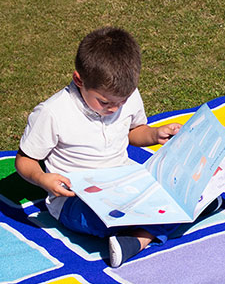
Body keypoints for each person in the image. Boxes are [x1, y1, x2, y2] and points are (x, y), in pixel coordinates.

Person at [15, 25, 182, 268]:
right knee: (100, 218)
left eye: (121, 102)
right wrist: (43, 179)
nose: (114, 108)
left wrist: (155, 134)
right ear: (78, 80)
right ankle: (151, 230)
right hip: (76, 197)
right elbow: (25, 159)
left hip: (126, 182)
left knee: (180, 190)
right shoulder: (53, 113)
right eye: (105, 102)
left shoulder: (128, 97)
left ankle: (138, 240)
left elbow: (134, 132)